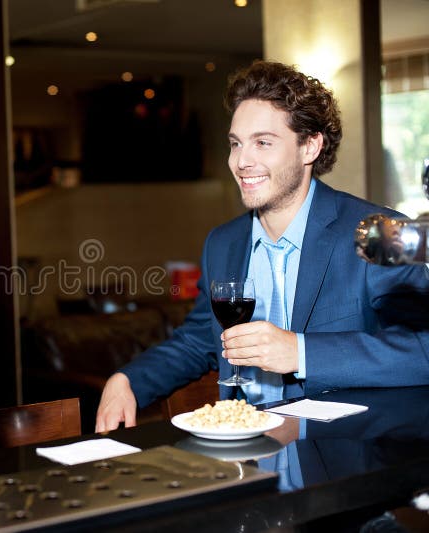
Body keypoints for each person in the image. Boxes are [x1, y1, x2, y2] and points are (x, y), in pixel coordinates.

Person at [96, 61, 429, 432]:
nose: (242, 161)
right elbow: (199, 341)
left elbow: (423, 349)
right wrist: (128, 381)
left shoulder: (382, 232)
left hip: (345, 460)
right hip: (244, 459)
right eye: (236, 144)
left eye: (263, 143)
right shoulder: (222, 242)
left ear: (310, 146)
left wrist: (300, 352)